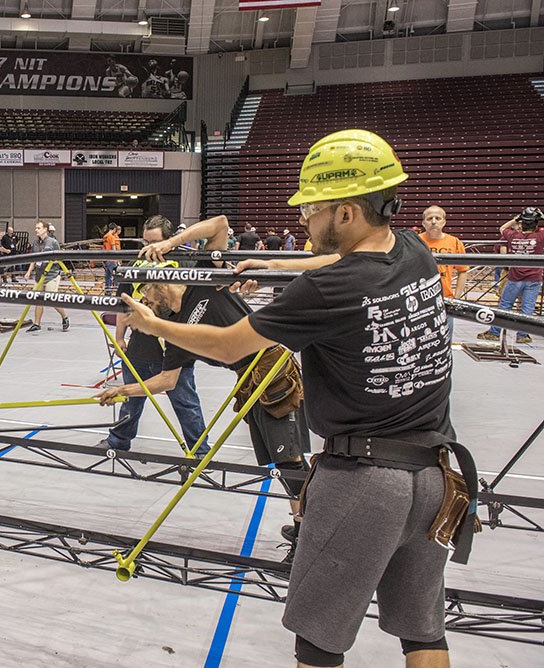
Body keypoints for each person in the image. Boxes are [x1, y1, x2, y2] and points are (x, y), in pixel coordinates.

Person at [122, 130, 463, 668]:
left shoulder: (329, 291)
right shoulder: (415, 252)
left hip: (366, 483)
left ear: (346, 213)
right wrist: (278, 267)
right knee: (422, 632)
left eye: (312, 210)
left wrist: (154, 323)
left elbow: (232, 344)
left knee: (319, 645)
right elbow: (345, 266)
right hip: (437, 475)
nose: (304, 220)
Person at [101, 214, 311, 536]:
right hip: (248, 378)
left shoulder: (204, 276)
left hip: (271, 370)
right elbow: (167, 380)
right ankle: (303, 527)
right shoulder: (175, 328)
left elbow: (221, 224)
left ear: (156, 285)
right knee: (280, 462)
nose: (145, 303)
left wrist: (169, 244)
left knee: (290, 461)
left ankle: (308, 533)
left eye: (145, 297)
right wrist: (122, 391)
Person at [92, 215, 206, 456]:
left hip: (173, 347)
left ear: (168, 240)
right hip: (139, 346)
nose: (148, 247)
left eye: (154, 241)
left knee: (185, 402)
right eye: (145, 241)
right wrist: (120, 337)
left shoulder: (183, 263)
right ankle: (119, 439)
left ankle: (200, 450)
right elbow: (125, 304)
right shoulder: (137, 264)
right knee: (131, 399)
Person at [478, 207, 544, 344]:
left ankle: (495, 332)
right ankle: (523, 335)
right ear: (536, 223)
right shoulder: (540, 236)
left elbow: (502, 228)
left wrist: (516, 219)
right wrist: (541, 217)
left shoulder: (513, 236)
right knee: (527, 308)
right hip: (534, 278)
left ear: (522, 222)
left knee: (505, 305)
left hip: (515, 277)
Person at [419, 206, 468, 339]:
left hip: (445, 299)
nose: (434, 221)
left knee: (445, 340)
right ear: (424, 223)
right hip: (420, 300)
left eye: (438, 218)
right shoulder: (415, 241)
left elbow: (462, 271)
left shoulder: (455, 242)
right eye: (429, 218)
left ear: (444, 222)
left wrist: (457, 297)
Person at [24, 220, 69, 332]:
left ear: (45, 229)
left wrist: (50, 261)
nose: (36, 230)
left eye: (38, 228)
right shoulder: (35, 243)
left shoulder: (53, 242)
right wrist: (29, 272)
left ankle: (65, 317)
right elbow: (33, 259)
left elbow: (59, 259)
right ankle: (36, 323)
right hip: (39, 276)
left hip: (51, 275)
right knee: (37, 299)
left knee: (51, 299)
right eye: (36, 228)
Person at [102, 222, 121, 293]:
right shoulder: (112, 237)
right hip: (112, 259)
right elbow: (114, 249)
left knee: (108, 276)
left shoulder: (105, 236)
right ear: (114, 229)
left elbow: (103, 247)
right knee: (116, 275)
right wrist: (117, 259)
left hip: (106, 258)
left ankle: (107, 291)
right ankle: (117, 290)